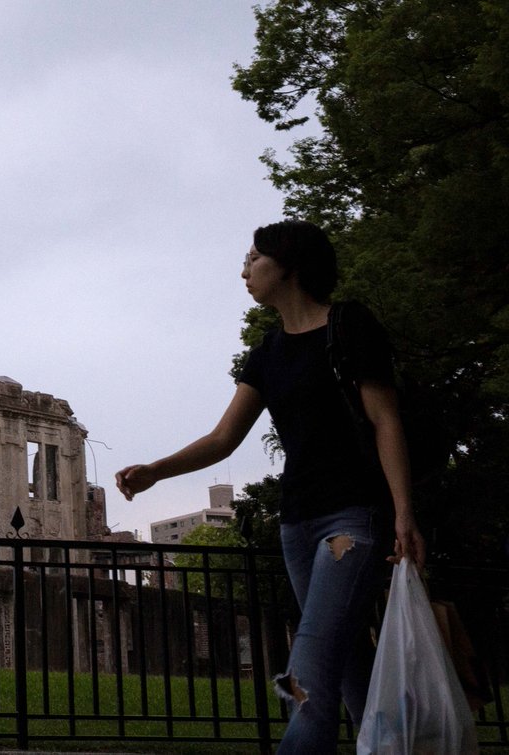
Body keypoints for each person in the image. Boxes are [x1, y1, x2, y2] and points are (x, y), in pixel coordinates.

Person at [114, 220, 426, 754]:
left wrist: (403, 513)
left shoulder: (349, 325)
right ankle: (392, 744)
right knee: (342, 656)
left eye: (254, 259)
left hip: (353, 520)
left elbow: (386, 421)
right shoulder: (267, 352)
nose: (244, 271)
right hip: (297, 524)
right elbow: (223, 439)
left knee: (307, 664)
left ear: (289, 265)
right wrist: (154, 471)